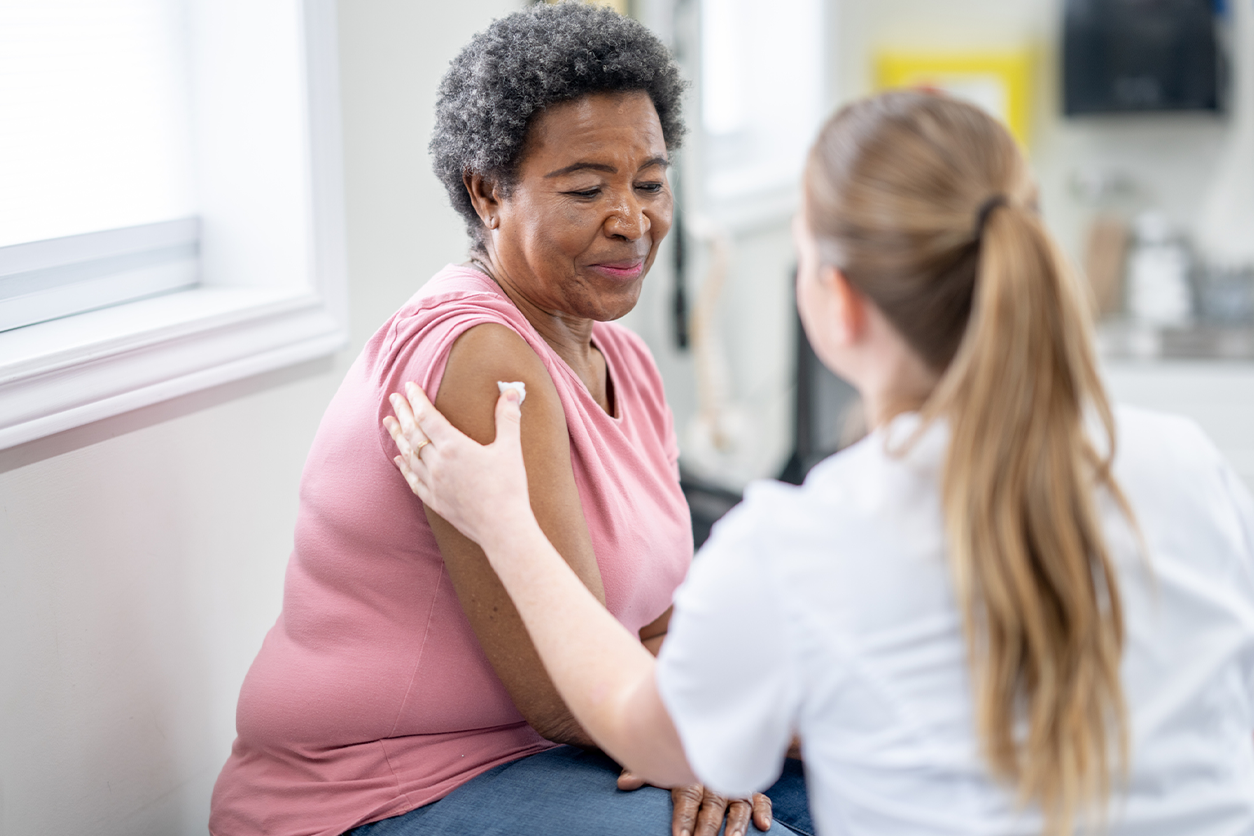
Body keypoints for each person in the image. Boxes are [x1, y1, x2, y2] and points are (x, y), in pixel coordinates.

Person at [386, 90, 1254, 836]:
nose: (633, 217)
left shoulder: (802, 541)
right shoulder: (1186, 461)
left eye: (651, 183)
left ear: (833, 302)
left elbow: (643, 730)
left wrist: (503, 522)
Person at [209, 4, 811, 836]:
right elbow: (568, 695)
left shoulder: (624, 363)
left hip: (562, 744)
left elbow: (660, 626)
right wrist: (707, 738)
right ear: (487, 191)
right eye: (587, 188)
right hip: (387, 785)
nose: (632, 220)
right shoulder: (481, 356)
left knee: (854, 784)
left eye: (649, 182)